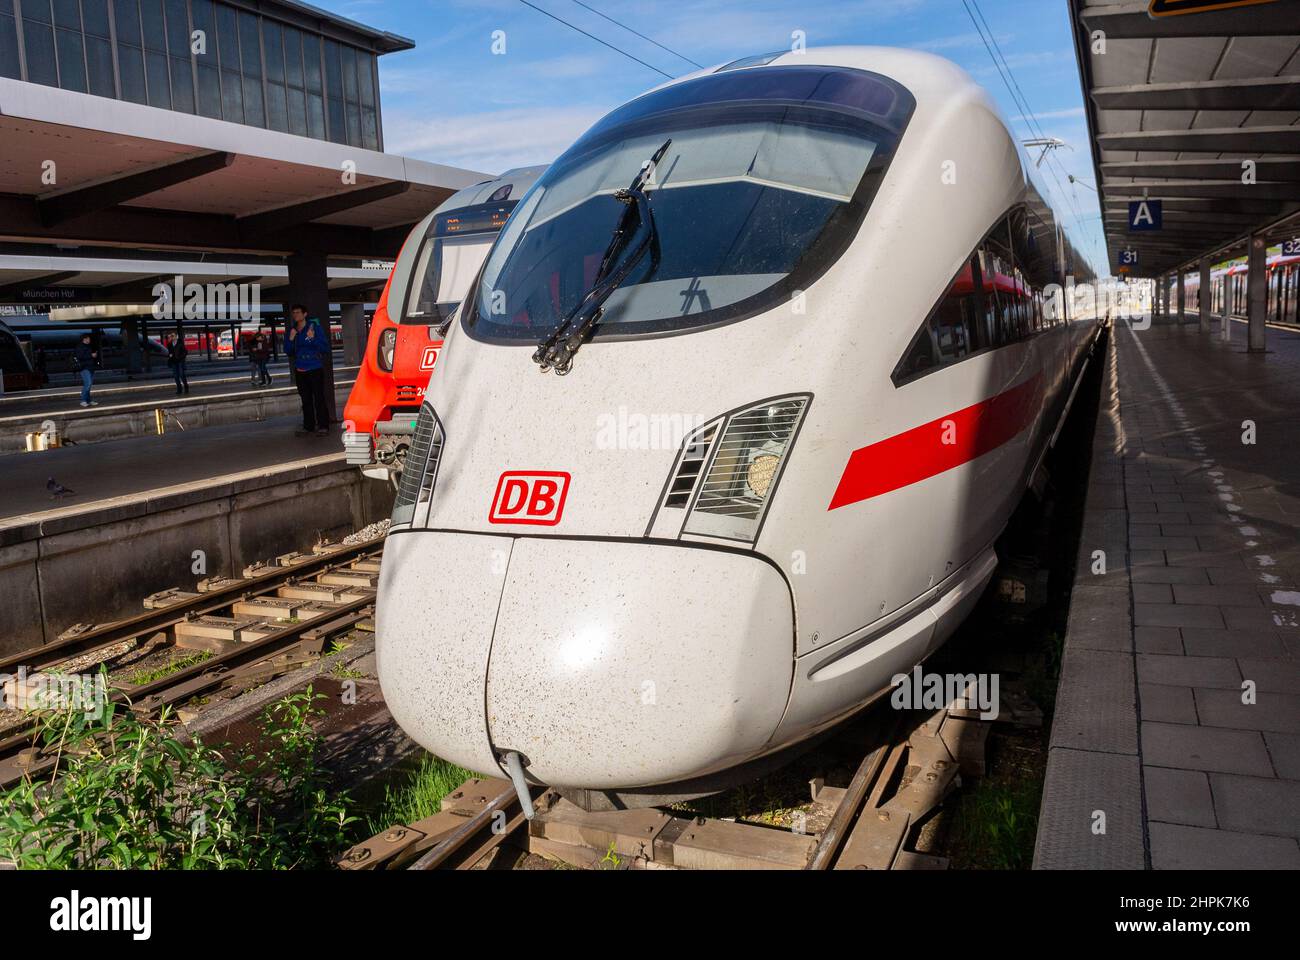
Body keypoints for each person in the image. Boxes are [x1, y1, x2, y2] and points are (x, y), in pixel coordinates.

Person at [285, 304, 330, 436]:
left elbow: (325, 348)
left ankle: (323, 425)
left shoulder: (314, 328)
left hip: (314, 368)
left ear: (305, 314)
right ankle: (308, 426)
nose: (295, 315)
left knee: (319, 398)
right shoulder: (292, 330)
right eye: (294, 313)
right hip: (300, 369)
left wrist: (313, 338)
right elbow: (288, 351)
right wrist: (291, 339)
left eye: (298, 312)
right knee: (305, 399)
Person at [73, 332, 98, 407]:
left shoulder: (89, 346)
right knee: (88, 383)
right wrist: (91, 355)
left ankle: (88, 400)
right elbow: (79, 357)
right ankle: (83, 400)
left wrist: (94, 356)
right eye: (88, 338)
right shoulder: (80, 347)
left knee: (89, 385)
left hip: (90, 367)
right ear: (84, 339)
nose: (89, 340)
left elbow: (90, 356)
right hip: (84, 368)